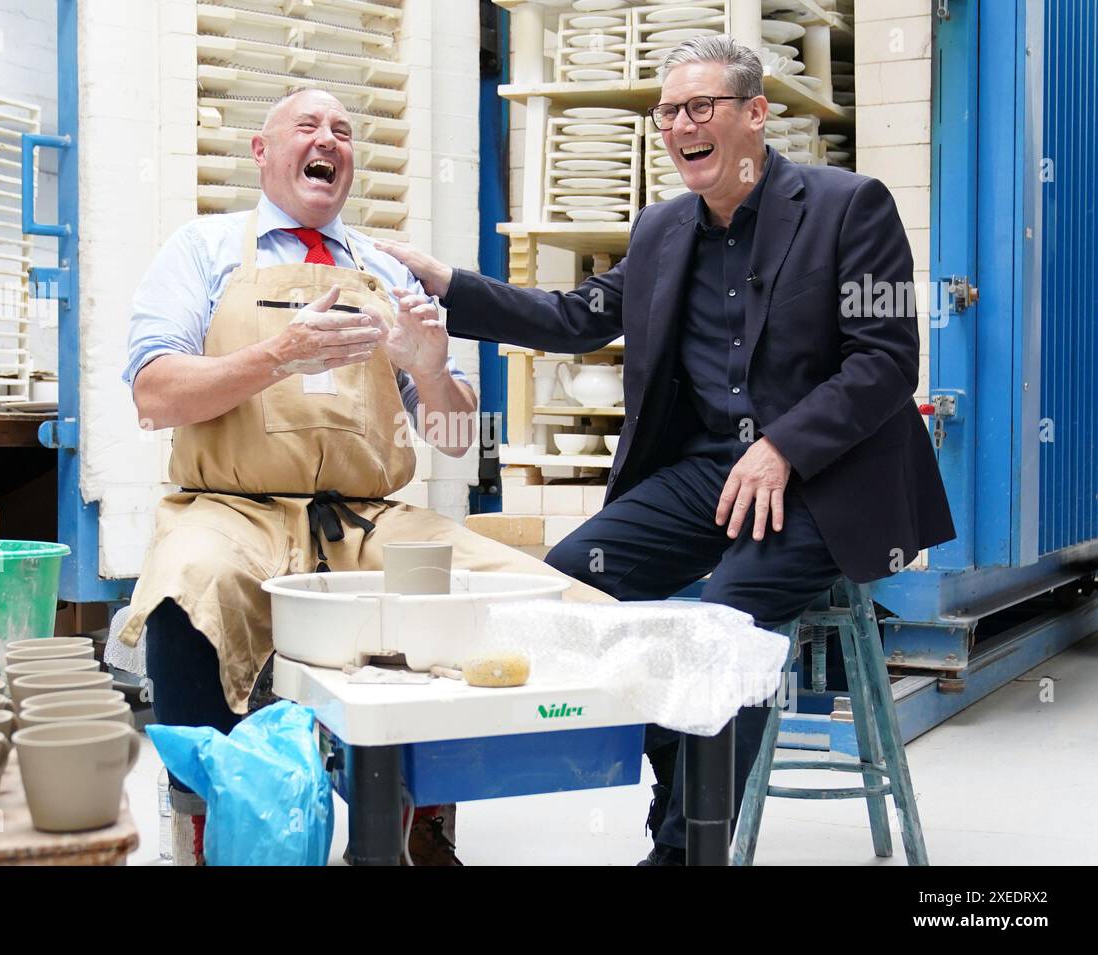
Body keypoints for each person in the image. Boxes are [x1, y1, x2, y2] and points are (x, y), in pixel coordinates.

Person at [376, 36, 956, 865]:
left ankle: (689, 848)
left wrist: (784, 447)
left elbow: (889, 359)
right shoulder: (661, 227)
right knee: (573, 585)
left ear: (755, 114)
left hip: (826, 478)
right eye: (668, 112)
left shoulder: (850, 204)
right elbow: (574, 317)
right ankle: (680, 785)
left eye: (700, 108)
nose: (680, 125)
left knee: (721, 625)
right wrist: (447, 284)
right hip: (707, 473)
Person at [118, 87, 611, 865]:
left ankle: (421, 814)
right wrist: (276, 355)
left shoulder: (384, 270)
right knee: (190, 579)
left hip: (365, 518)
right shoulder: (202, 249)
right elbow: (153, 396)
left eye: (344, 132)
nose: (330, 142)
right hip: (231, 505)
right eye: (308, 127)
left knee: (504, 589)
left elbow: (451, 438)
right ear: (261, 152)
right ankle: (213, 817)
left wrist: (429, 365)